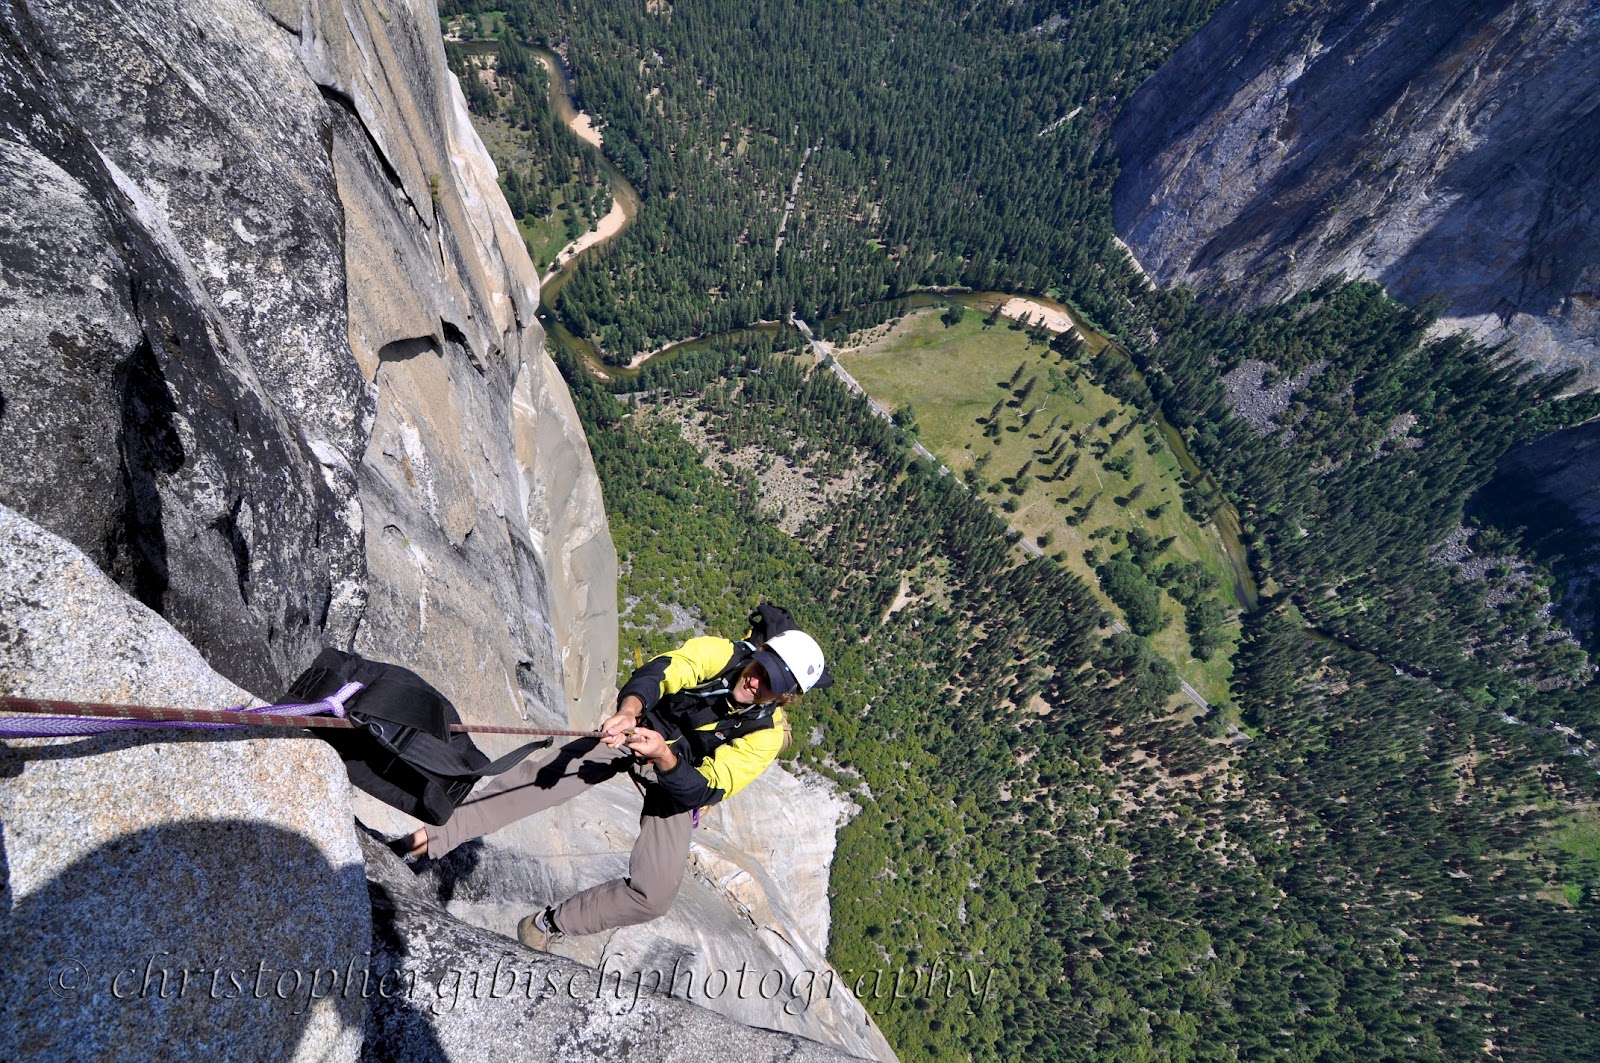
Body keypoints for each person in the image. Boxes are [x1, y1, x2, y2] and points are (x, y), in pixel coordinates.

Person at [399, 622, 828, 947]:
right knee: (544, 780)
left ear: (785, 696)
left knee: (653, 896)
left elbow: (705, 788)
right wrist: (629, 710)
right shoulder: (723, 654)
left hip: (677, 779)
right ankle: (431, 836)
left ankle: (548, 925)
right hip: (636, 730)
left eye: (771, 683)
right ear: (758, 654)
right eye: (760, 668)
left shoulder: (766, 735)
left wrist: (664, 756)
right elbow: (665, 670)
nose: (755, 681)